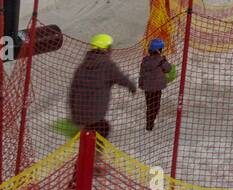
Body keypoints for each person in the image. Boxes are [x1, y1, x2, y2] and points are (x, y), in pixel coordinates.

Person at [68, 34, 137, 176]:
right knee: (102, 130)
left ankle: (84, 167)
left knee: (91, 135)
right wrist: (131, 86)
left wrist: (73, 112)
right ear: (106, 49)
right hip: (94, 115)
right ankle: (88, 166)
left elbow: (72, 91)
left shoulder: (82, 66)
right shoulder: (107, 65)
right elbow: (121, 78)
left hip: (79, 113)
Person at [138, 38, 171, 131]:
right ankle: (151, 121)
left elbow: (142, 73)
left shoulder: (145, 60)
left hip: (147, 89)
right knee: (156, 106)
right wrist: (164, 60)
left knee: (149, 106)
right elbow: (168, 69)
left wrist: (141, 84)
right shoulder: (161, 60)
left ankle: (149, 124)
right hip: (157, 89)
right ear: (159, 50)